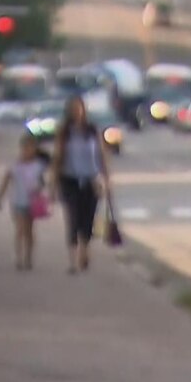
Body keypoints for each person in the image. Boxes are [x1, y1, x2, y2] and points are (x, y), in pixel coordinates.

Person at [50, 94, 111, 274]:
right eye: (73, 109)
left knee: (87, 220)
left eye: (79, 108)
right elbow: (57, 158)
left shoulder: (92, 131)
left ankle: (85, 251)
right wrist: (52, 184)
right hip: (69, 180)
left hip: (91, 181)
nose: (77, 112)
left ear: (84, 111)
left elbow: (102, 155)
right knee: (73, 219)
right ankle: (73, 261)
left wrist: (106, 179)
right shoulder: (64, 132)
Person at [0, 133, 48, 271]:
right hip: (18, 201)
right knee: (19, 229)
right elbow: (6, 181)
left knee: (29, 231)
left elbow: (43, 182)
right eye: (25, 148)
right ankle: (18, 257)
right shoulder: (15, 166)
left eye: (30, 148)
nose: (27, 151)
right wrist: (0, 197)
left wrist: (40, 189)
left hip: (32, 202)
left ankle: (28, 257)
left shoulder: (38, 166)